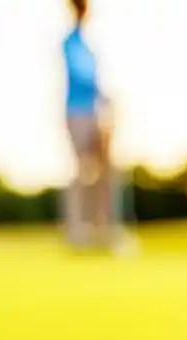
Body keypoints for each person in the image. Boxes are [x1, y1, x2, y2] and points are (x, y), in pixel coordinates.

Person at [62, 0, 114, 251]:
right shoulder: (71, 42)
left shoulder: (88, 45)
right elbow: (80, 76)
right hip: (77, 111)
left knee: (104, 170)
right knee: (82, 168)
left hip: (94, 112)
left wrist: (106, 99)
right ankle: (76, 230)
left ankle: (102, 229)